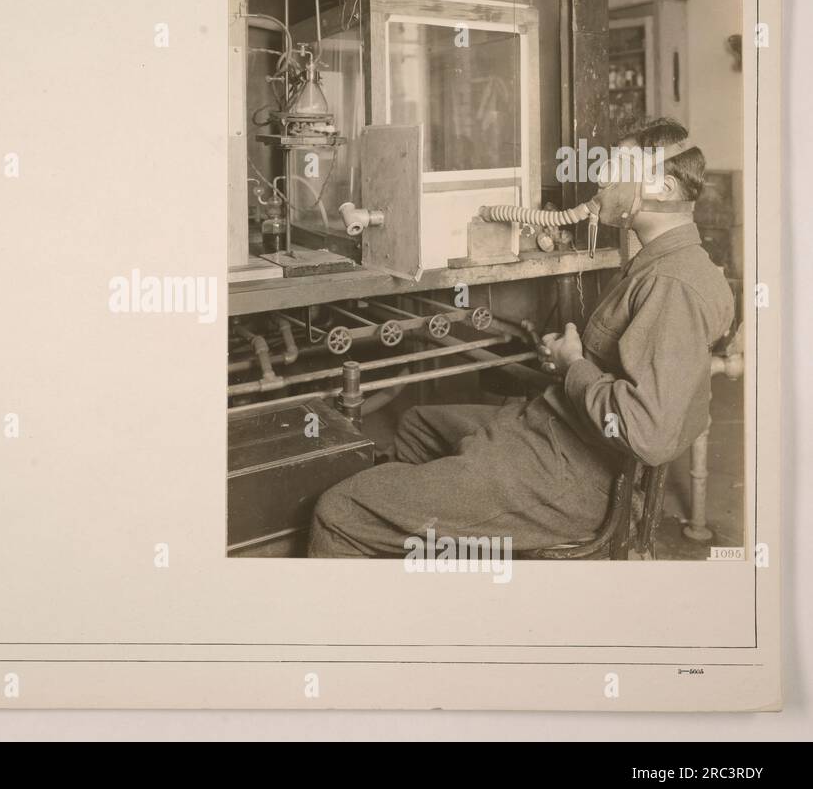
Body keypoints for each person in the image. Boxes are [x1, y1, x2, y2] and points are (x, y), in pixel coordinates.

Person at [307, 118, 736, 557]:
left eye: (617, 168)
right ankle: (422, 537)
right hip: (556, 429)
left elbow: (647, 431)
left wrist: (574, 365)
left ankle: (394, 562)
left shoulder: (672, 284)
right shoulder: (667, 263)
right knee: (415, 424)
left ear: (661, 187)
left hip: (571, 475)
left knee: (338, 510)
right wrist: (570, 362)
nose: (602, 179)